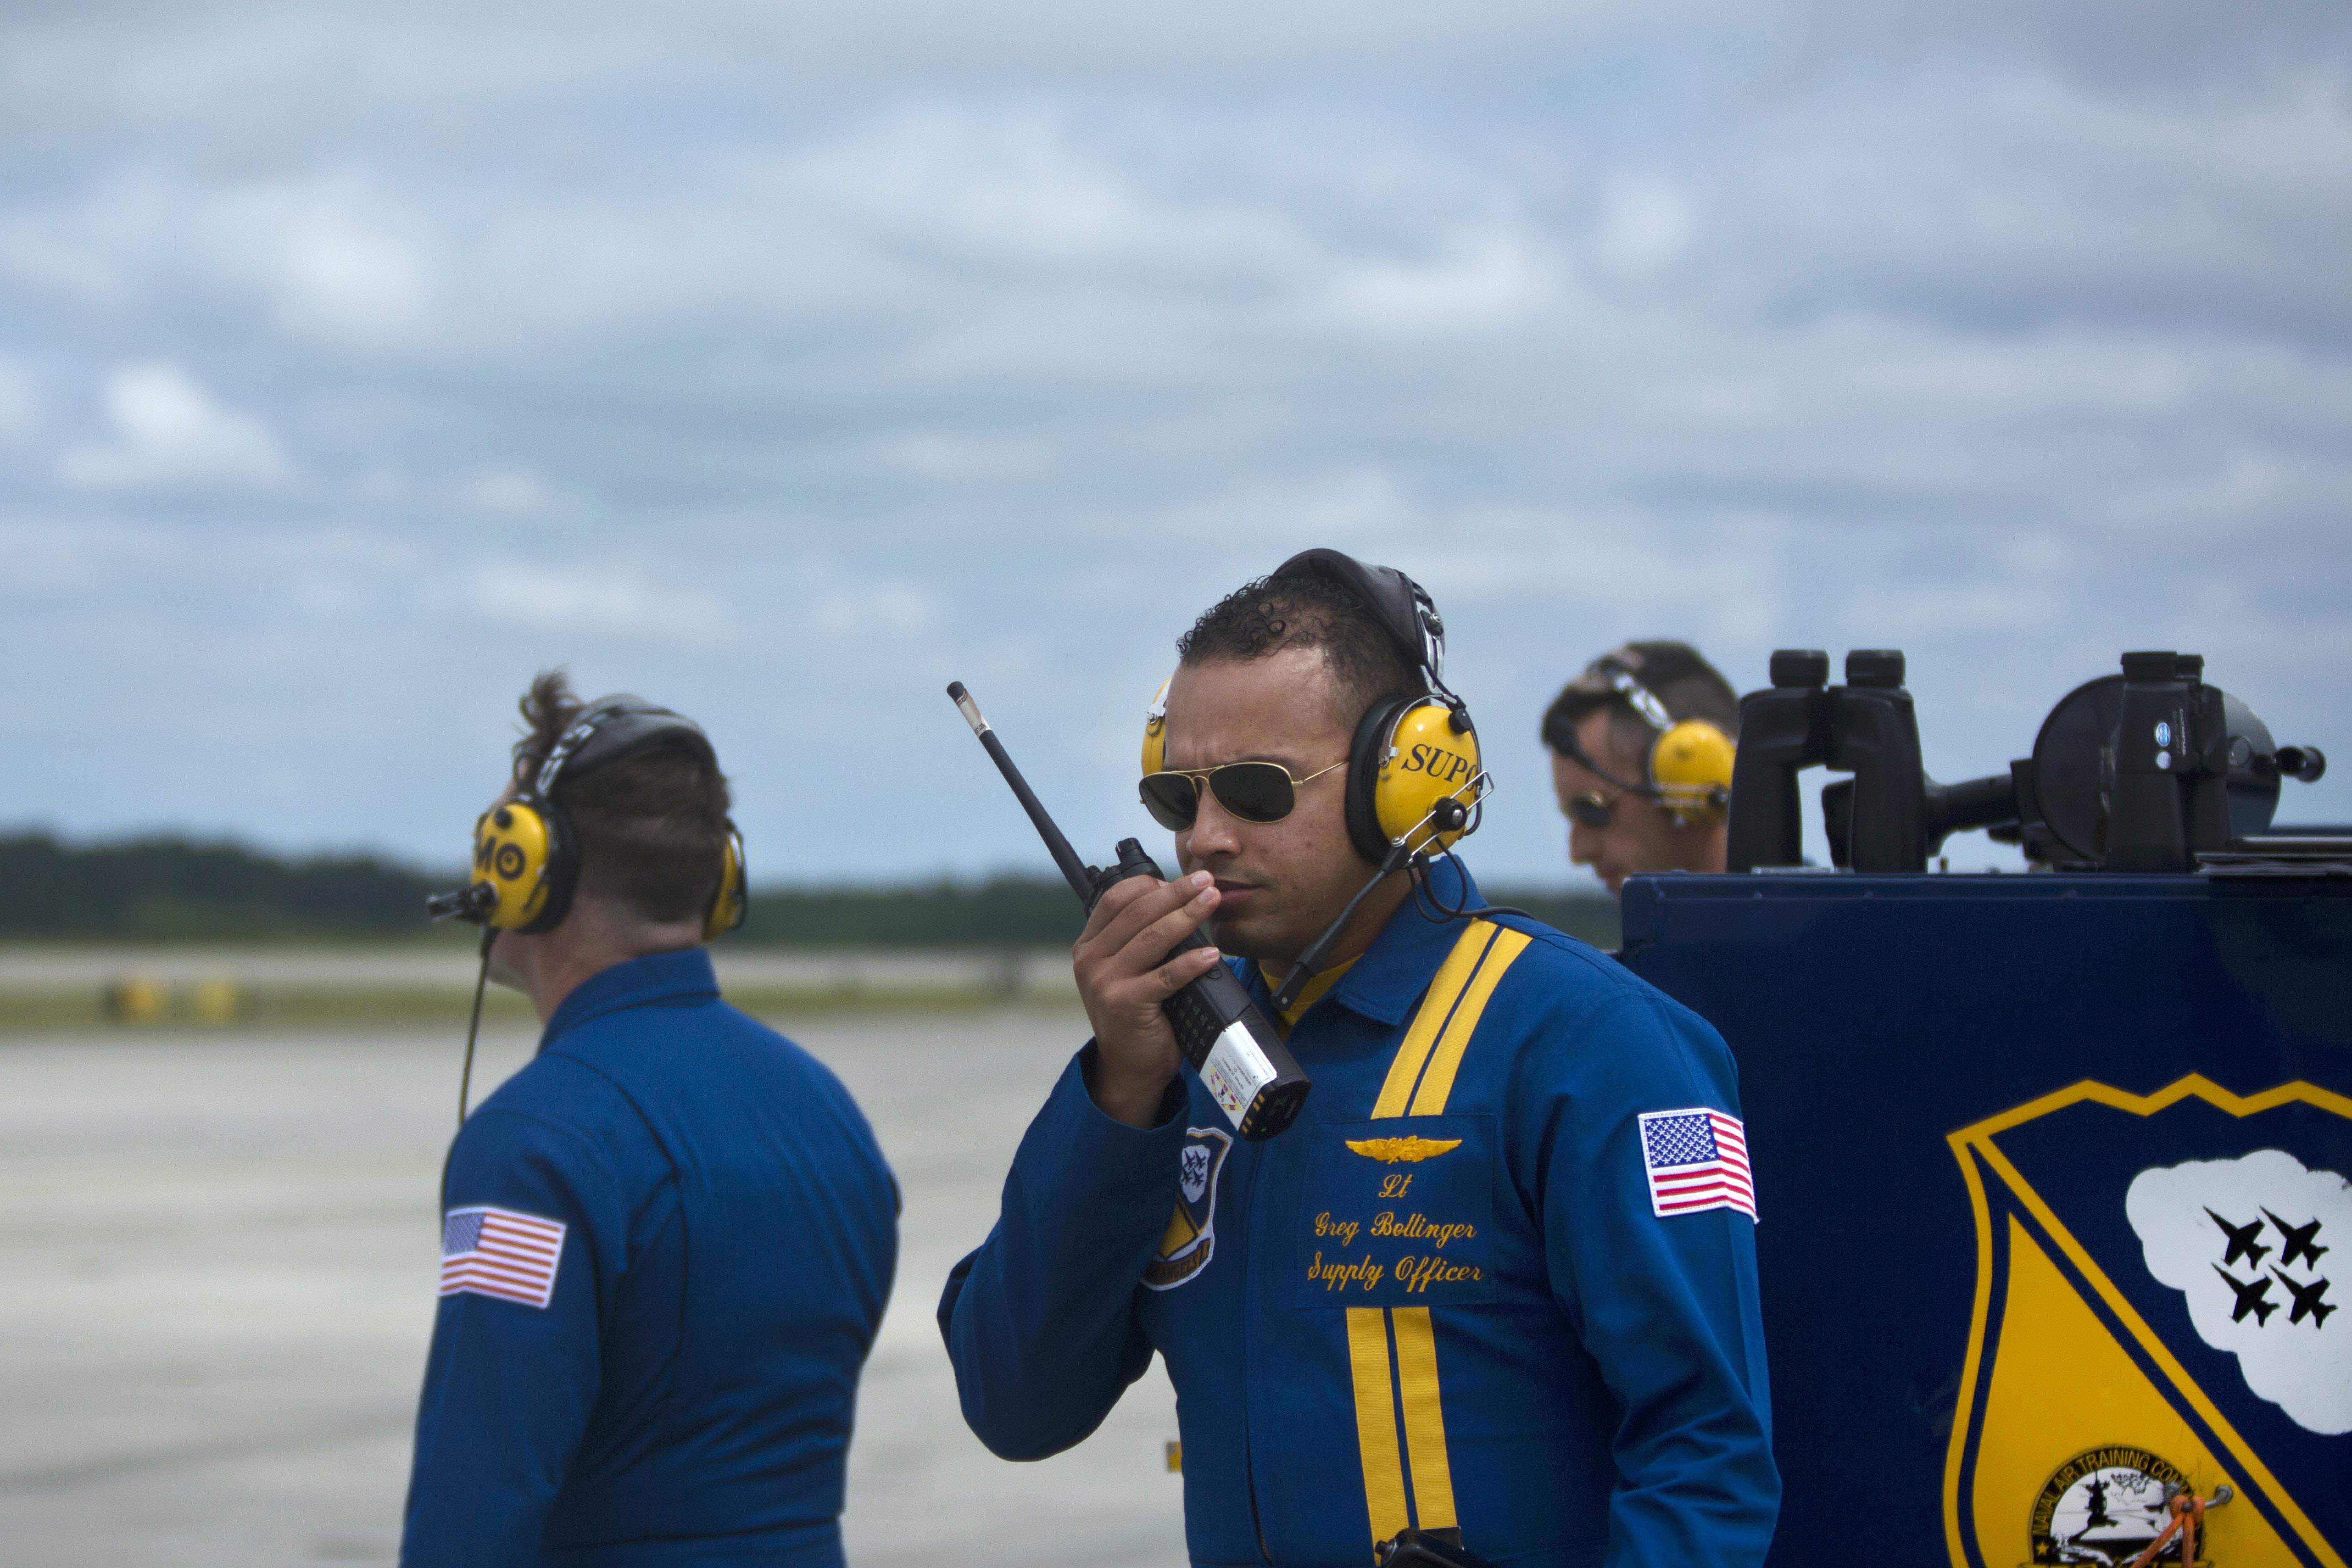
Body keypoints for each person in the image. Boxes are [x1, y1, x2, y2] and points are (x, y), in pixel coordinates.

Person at [938, 553, 1777, 1567]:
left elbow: (1707, 1456)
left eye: (1255, 790)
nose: (1204, 838)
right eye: (1176, 796)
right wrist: (1120, 1090)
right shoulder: (1173, 1062)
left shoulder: (1599, 1046)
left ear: (1403, 778)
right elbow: (1014, 1401)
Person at [402, 673, 898, 1568]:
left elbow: (478, 1488)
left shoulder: (533, 1145)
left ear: (523, 869)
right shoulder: (825, 1108)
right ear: (719, 881)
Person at [1540, 642, 1741, 897]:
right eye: (1571, 817)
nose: (1579, 852)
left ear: (1697, 779)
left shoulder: (1805, 935)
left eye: (1593, 810)